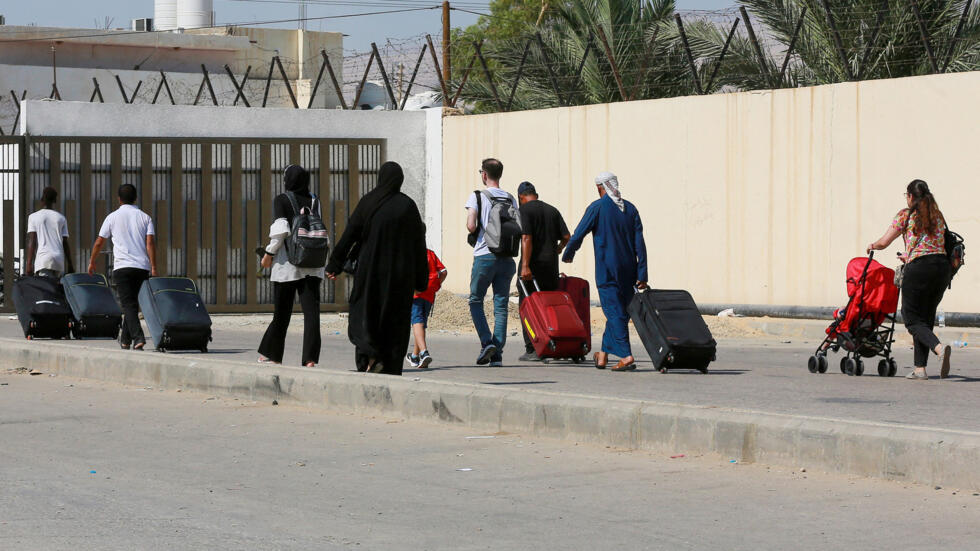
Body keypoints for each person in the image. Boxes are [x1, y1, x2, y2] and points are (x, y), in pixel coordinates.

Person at [326, 161, 428, 376]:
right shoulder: (408, 206)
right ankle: (388, 364)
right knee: (395, 319)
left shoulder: (368, 202)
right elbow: (419, 244)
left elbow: (350, 234)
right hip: (400, 276)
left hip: (370, 272)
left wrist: (335, 264)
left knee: (367, 313)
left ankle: (371, 356)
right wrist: (421, 280)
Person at [562, 172, 648, 371]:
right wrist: (642, 273)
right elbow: (640, 244)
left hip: (607, 270)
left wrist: (569, 253)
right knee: (620, 312)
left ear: (599, 187)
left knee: (614, 312)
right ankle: (602, 355)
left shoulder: (597, 207)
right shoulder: (630, 209)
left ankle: (625, 356)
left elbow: (579, 233)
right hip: (629, 270)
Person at [867, 179, 952, 380]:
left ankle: (939, 348)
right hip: (941, 269)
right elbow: (935, 244)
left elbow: (884, 242)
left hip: (919, 269)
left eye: (906, 195)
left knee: (911, 318)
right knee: (926, 318)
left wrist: (872, 246)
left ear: (911, 196)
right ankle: (920, 369)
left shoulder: (906, 215)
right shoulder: (937, 215)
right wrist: (910, 255)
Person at [257, 165, 324, 368]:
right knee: (311, 314)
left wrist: (268, 254)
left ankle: (275, 356)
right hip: (312, 263)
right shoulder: (315, 200)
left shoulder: (282, 199)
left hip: (288, 265)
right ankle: (310, 359)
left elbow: (281, 230)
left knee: (282, 313)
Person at [88, 184, 157, 350]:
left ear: (119, 199)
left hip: (122, 267)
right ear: (136, 198)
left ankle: (138, 337)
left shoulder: (112, 217)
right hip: (141, 267)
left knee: (128, 304)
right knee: (132, 304)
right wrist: (153, 266)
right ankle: (125, 340)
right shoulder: (145, 217)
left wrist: (92, 261)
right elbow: (150, 243)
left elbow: (99, 242)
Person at [465, 158, 518, 367]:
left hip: (484, 256)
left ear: (484, 175)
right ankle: (497, 355)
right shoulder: (510, 198)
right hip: (507, 258)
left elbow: (471, 225)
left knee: (475, 300)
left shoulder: (477, 196)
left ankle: (487, 342)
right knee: (501, 304)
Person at [515, 181, 570, 362]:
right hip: (551, 268)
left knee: (527, 307)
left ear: (521, 197)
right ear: (535, 195)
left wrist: (525, 265)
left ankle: (533, 348)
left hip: (532, 269)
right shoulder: (552, 210)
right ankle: (552, 343)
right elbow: (566, 236)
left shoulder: (524, 210)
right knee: (549, 308)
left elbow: (526, 237)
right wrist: (559, 248)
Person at [406, 238, 448, 369]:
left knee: (416, 321)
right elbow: (444, 272)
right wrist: (436, 285)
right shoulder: (430, 253)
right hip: (430, 293)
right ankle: (415, 356)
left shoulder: (411, 254)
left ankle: (424, 352)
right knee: (420, 324)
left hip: (416, 293)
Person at [25, 186, 73, 279]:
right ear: (55, 200)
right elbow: (65, 243)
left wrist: (29, 264)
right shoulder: (61, 218)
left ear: (42, 199)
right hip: (58, 260)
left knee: (45, 287)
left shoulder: (33, 217)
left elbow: (32, 241)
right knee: (55, 286)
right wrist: (70, 264)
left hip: (43, 260)